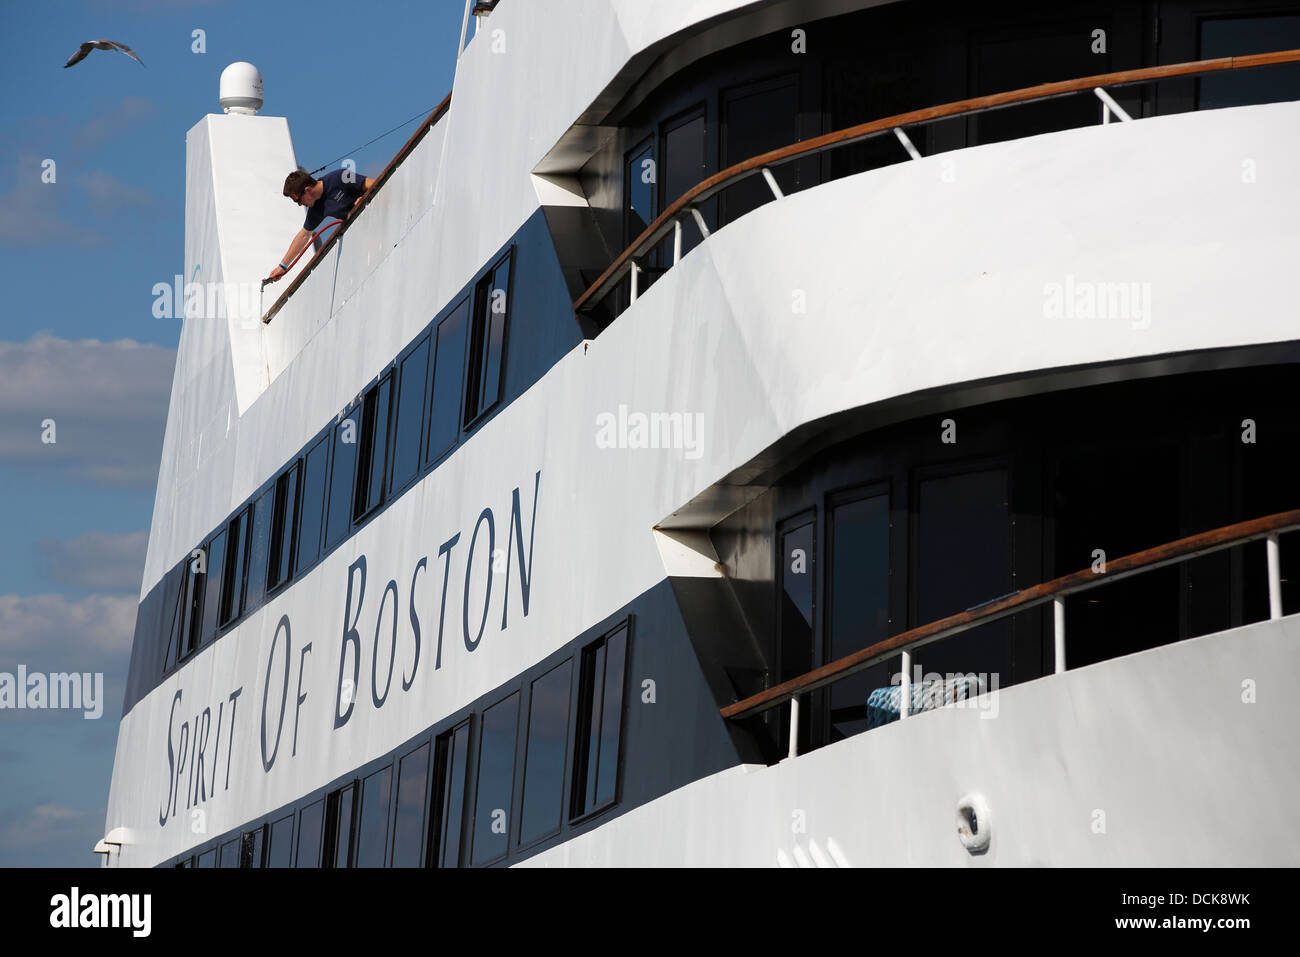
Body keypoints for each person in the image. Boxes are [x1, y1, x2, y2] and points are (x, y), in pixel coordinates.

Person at [266, 168, 376, 282]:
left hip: (378, 212)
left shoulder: (340, 177)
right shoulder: (316, 209)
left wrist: (364, 198)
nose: (299, 205)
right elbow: (304, 235)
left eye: (298, 200)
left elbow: (374, 183)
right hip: (366, 234)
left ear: (307, 190)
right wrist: (282, 266)